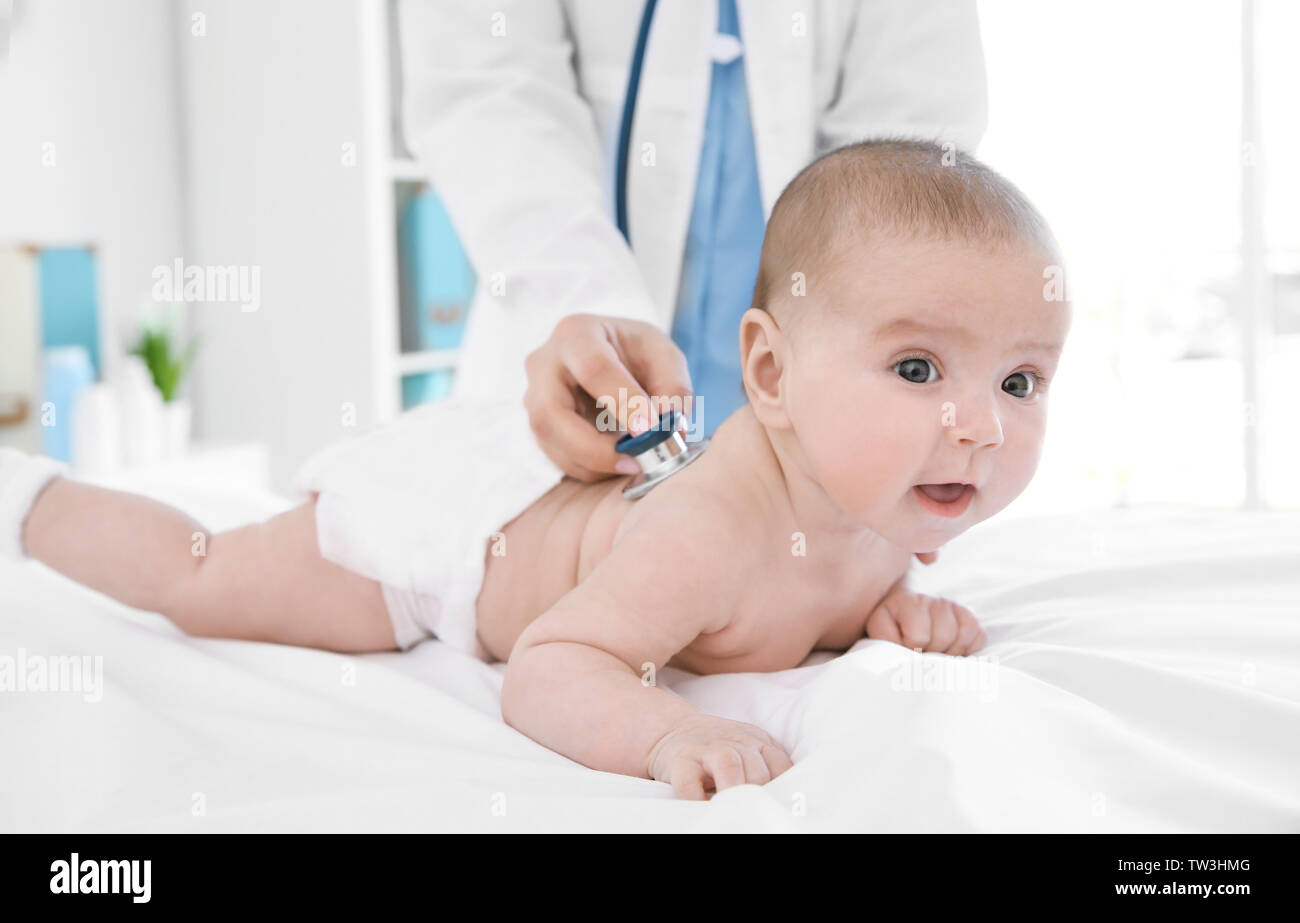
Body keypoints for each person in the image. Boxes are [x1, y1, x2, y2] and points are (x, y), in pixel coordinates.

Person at [0, 141, 1070, 798]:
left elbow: (837, 582)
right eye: (919, 366)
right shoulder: (710, 533)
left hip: (574, 488)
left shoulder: (877, 502)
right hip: (455, 533)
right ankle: (27, 496)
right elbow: (551, 664)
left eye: (1020, 381)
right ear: (769, 372)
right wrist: (667, 730)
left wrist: (898, 606)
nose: (978, 424)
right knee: (207, 577)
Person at [398, 0, 987, 478]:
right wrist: (590, 309)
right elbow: (487, 96)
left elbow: (911, 145)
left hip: (820, 440)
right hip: (575, 380)